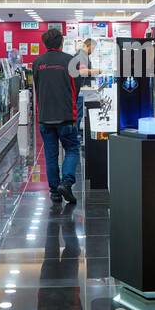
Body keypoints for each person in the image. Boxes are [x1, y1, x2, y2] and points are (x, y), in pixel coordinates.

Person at [31, 27, 79, 205]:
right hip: (66, 114)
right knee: (72, 150)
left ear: (44, 43)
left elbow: (36, 86)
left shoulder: (37, 63)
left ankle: (54, 192)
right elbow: (76, 88)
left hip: (45, 116)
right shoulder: (70, 61)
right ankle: (66, 183)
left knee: (50, 155)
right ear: (61, 42)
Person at [73, 37, 99, 126]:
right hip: (80, 89)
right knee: (79, 114)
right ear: (89, 46)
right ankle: (76, 135)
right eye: (93, 48)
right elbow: (83, 72)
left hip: (81, 88)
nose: (93, 50)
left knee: (80, 113)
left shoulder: (83, 55)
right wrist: (97, 71)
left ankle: (78, 134)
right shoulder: (82, 55)